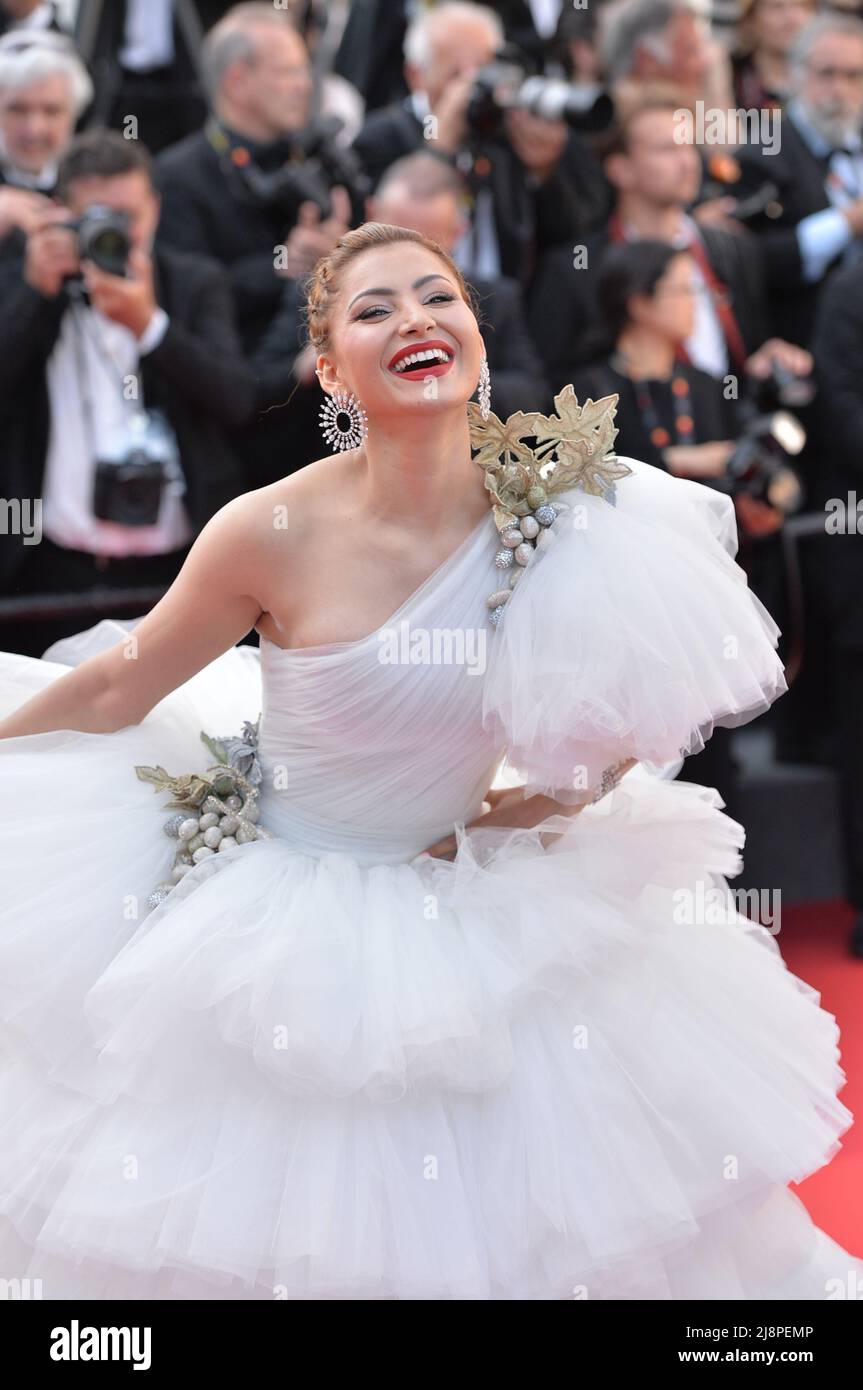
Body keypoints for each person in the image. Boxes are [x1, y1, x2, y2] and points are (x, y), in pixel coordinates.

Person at [0, 221, 860, 1300]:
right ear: (329, 369)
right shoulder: (264, 529)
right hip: (280, 913)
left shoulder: (566, 513)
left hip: (470, 901)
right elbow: (119, 682)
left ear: (473, 335)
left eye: (435, 296)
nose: (413, 319)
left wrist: (503, 822)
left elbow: (625, 734)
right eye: (372, 310)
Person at [0, 129, 256, 657]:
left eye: (129, 218)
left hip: (177, 575)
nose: (117, 235)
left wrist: (150, 326)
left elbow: (236, 399)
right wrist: (33, 293)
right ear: (61, 214)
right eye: (99, 219)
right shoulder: (22, 281)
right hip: (48, 572)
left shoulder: (192, 283)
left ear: (156, 211)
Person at [154, 2, 353, 354]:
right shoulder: (176, 177)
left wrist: (342, 252)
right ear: (237, 81)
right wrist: (281, 266)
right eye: (289, 72)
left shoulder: (319, 158)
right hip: (237, 375)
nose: (304, 86)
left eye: (305, 71)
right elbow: (182, 297)